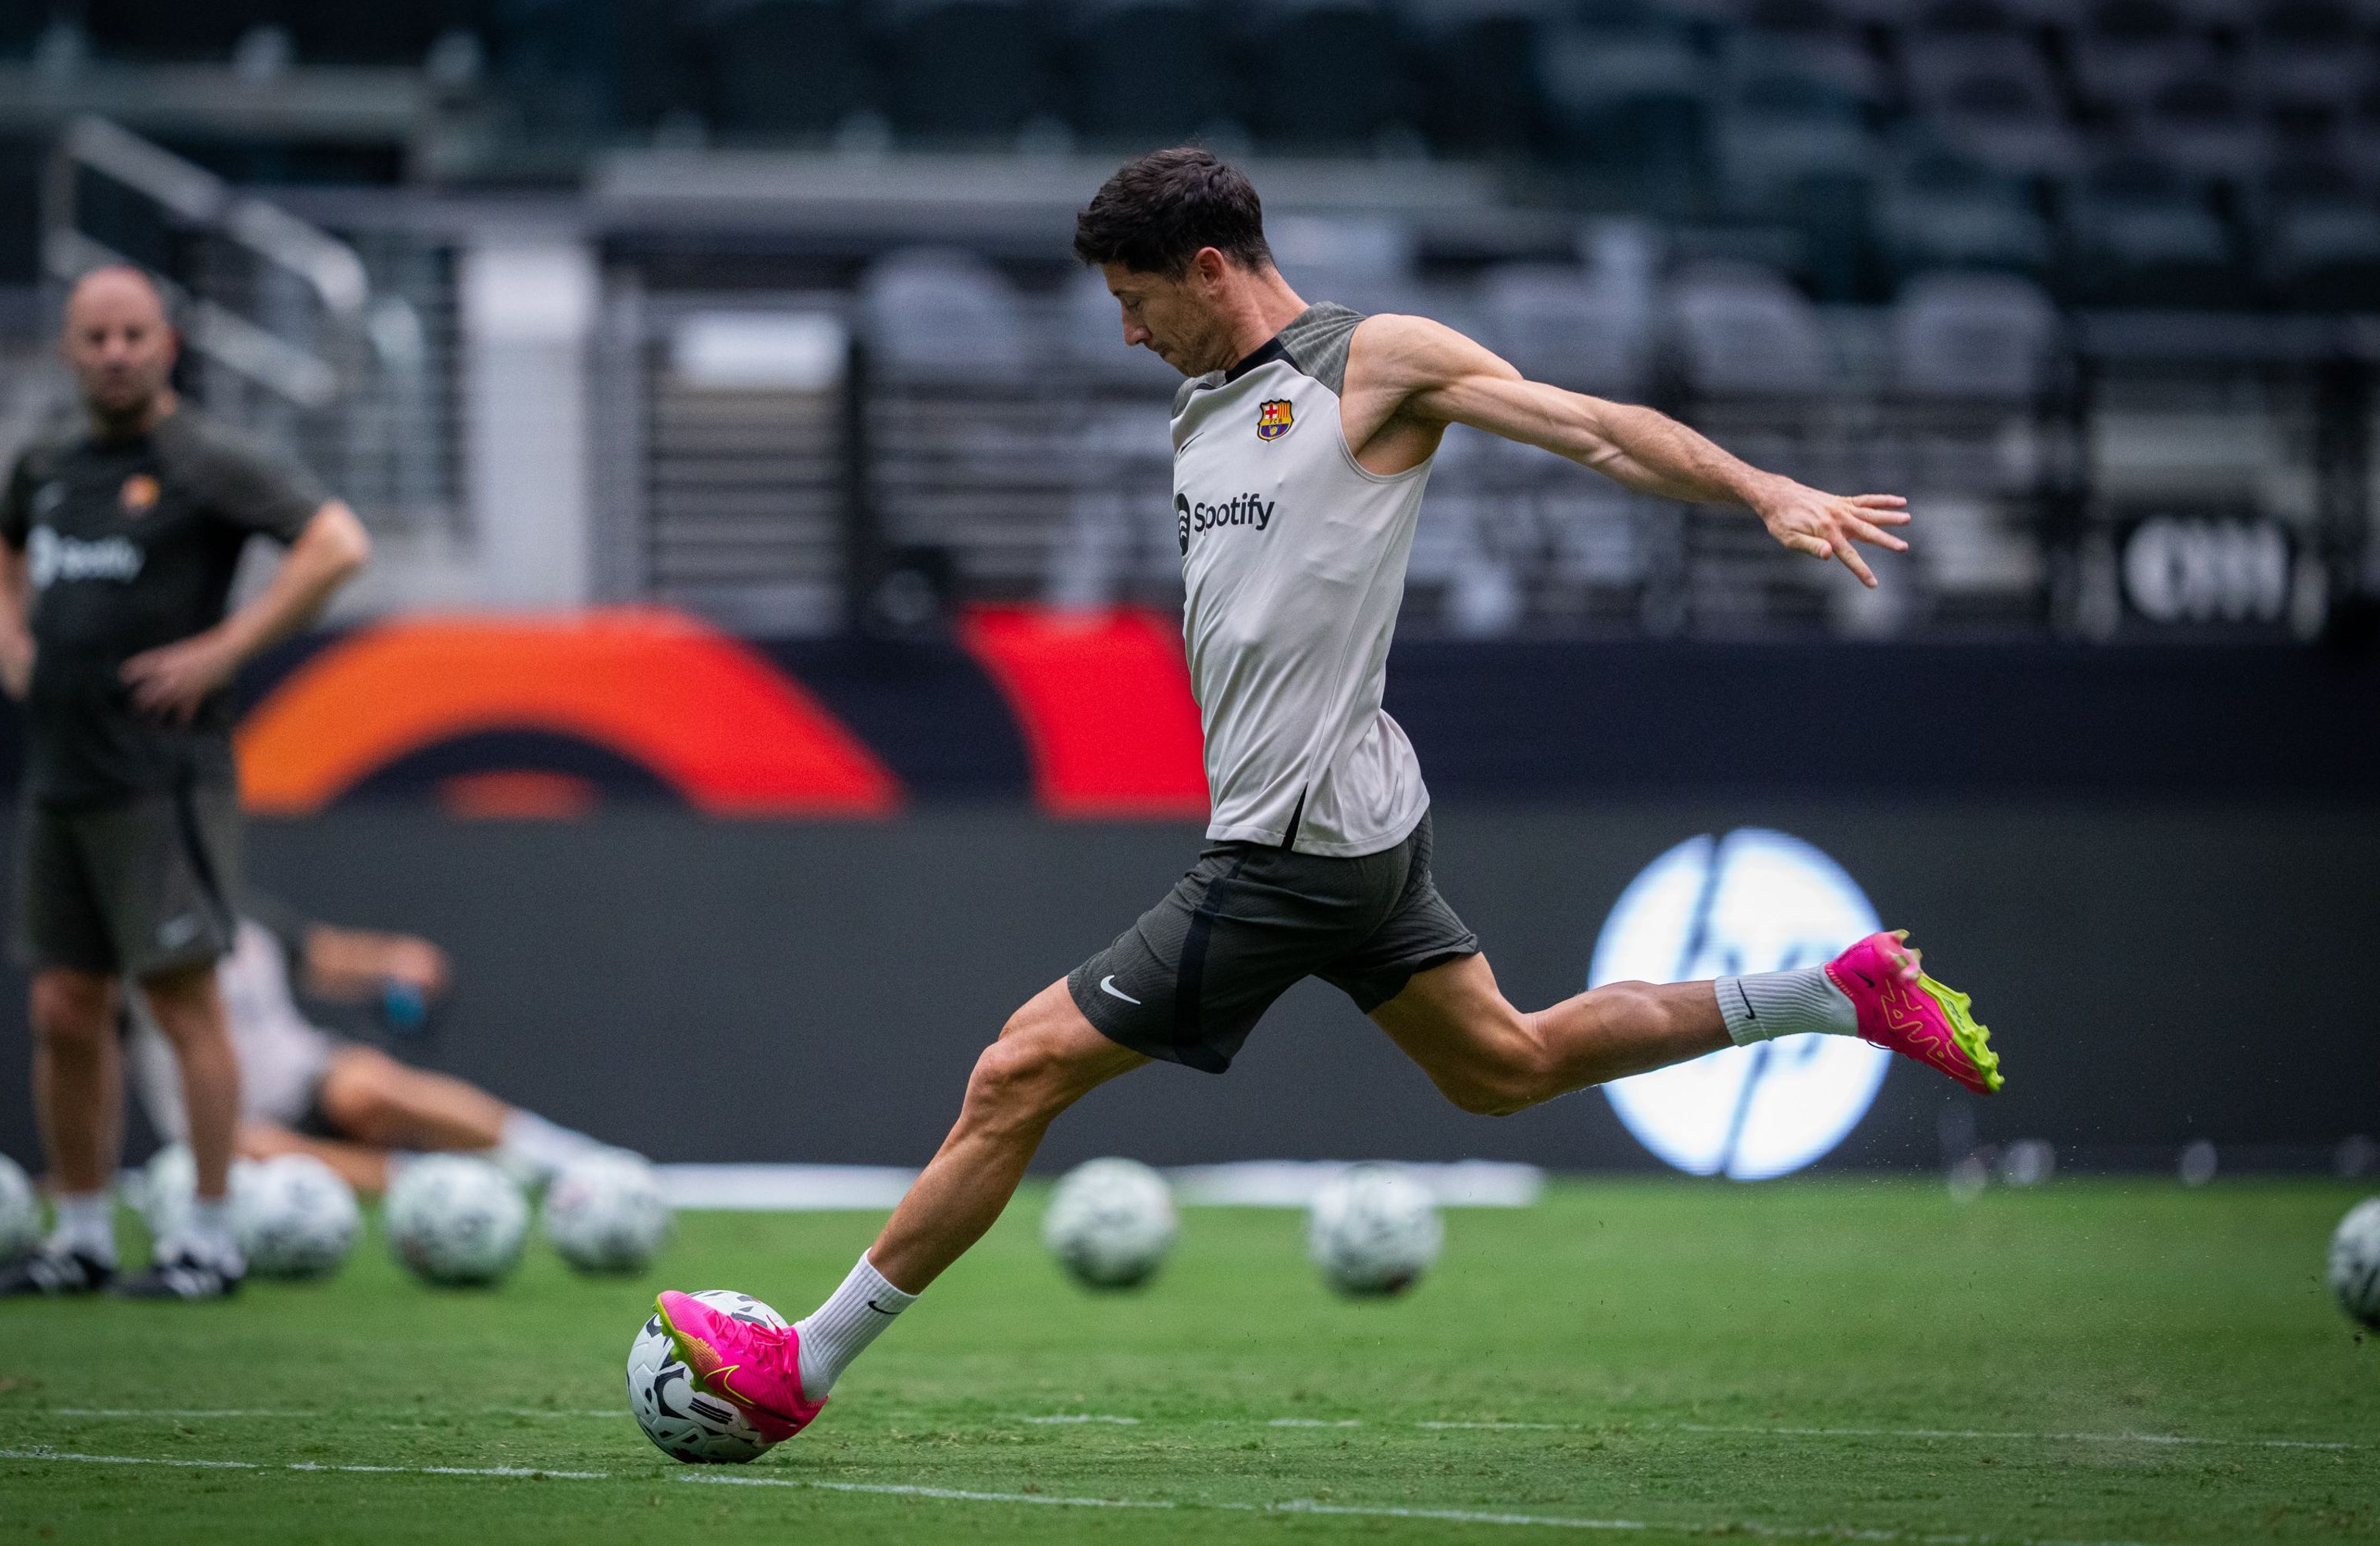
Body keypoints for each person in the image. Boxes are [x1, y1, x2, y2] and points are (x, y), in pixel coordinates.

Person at [654, 148, 2005, 1439]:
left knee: (1016, 1073)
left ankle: (800, 1368)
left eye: (1136, 304)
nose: (1127, 336)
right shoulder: (1203, 408)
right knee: (1506, 1068)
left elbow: (1592, 430)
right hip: (1351, 816)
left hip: (1291, 846)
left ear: (1205, 268)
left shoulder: (1373, 363)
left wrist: (1764, 489)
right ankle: (1836, 992)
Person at [0, 265, 370, 1300]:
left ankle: (208, 1239)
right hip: (60, 776)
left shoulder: (203, 459)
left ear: (168, 346)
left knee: (186, 1009)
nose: (114, 352)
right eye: (95, 337)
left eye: (133, 335)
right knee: (64, 1007)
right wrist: (9, 639)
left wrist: (225, 650)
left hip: (164, 782)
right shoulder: (50, 462)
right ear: (67, 349)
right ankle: (84, 1234)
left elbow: (336, 545)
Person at [122, 898, 607, 1194]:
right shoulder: (126, 941)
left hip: (304, 1079)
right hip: (222, 1126)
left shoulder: (246, 915)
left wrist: (394, 959)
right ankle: (441, 1187)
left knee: (365, 1083)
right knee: (254, 1149)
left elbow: (325, 956)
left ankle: (564, 1158)